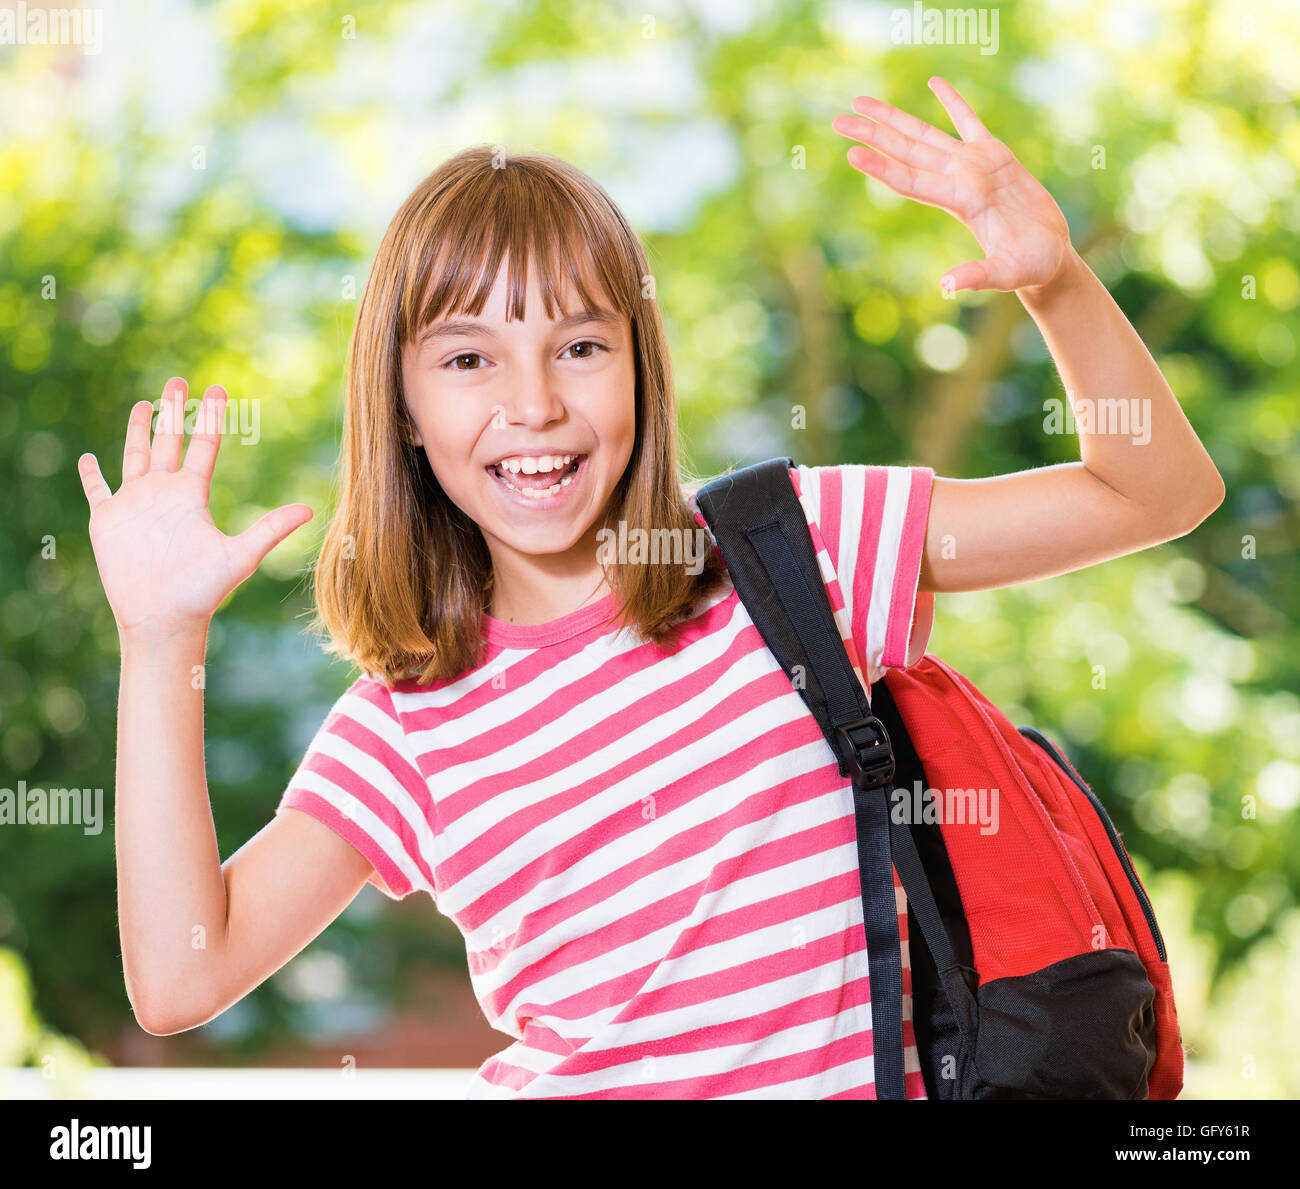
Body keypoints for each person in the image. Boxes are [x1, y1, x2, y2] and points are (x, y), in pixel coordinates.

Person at [77, 77, 1224, 1099]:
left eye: (579, 345)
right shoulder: (405, 725)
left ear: (641, 362)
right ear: (405, 413)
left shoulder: (798, 551)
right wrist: (159, 634)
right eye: (469, 358)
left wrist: (1056, 284)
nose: (532, 403)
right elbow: (182, 973)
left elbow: (1155, 495)